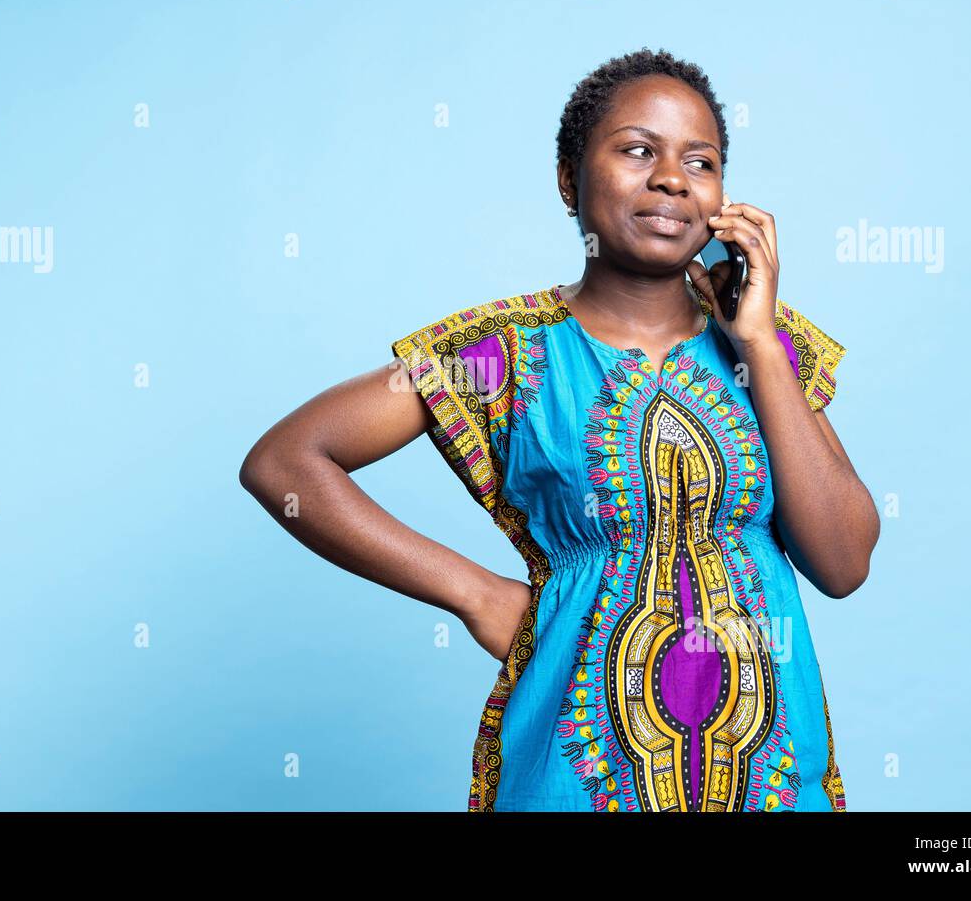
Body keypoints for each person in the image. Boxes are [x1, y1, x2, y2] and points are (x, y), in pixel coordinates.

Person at [240, 47, 880, 812]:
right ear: (569, 178)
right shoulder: (505, 355)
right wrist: (476, 594)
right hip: (578, 775)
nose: (672, 178)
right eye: (638, 150)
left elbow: (843, 564)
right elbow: (285, 464)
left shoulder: (771, 349)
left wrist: (761, 345)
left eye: (700, 162)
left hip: (772, 777)